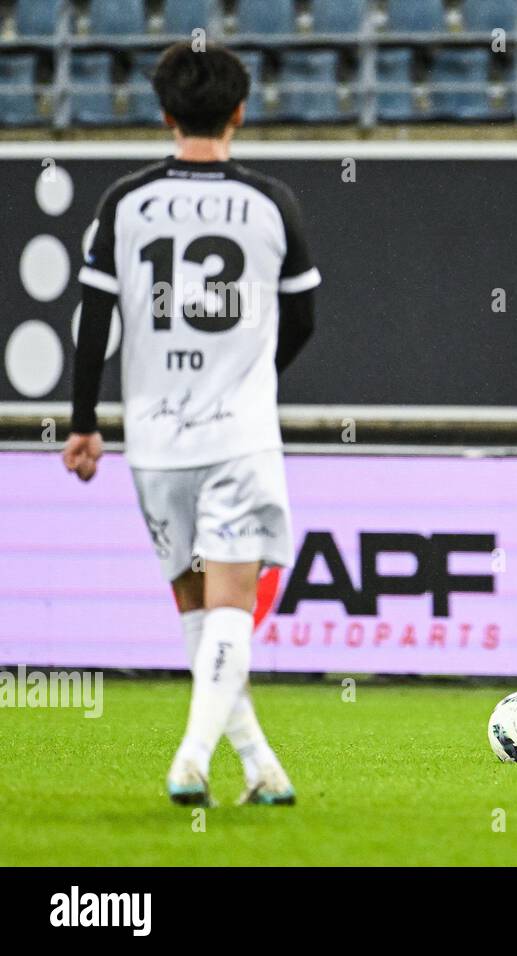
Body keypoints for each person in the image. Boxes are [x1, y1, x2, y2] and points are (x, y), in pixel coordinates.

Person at [63, 42, 320, 807]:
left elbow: (93, 323)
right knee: (232, 606)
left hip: (155, 439)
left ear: (165, 111)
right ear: (240, 111)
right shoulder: (272, 202)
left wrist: (83, 423)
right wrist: (250, 381)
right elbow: (303, 317)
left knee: (196, 606)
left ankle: (261, 769)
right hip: (237, 433)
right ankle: (190, 760)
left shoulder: (125, 202)